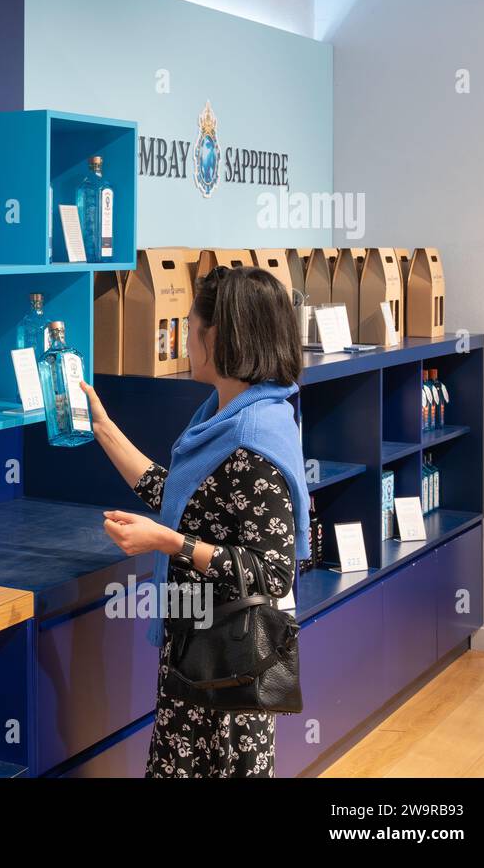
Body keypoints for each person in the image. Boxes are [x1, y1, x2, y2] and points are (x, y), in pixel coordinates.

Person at [79, 265, 309, 777]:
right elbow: (181, 498)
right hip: (198, 649)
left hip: (228, 665)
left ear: (221, 337)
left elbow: (272, 573)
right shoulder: (226, 413)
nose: (185, 337)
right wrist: (103, 428)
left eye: (192, 325)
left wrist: (168, 542)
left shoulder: (251, 437)